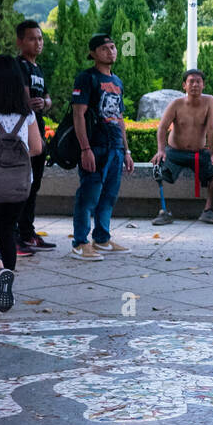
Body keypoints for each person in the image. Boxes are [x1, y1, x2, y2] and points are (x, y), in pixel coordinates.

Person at [0, 54, 44, 311]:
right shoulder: (26, 112)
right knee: (7, 230)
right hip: (20, 182)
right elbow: (37, 148)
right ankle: (7, 282)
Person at [70, 34, 134, 260]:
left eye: (114, 47)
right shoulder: (86, 78)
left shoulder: (117, 82)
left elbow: (119, 117)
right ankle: (80, 243)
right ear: (93, 53)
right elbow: (79, 114)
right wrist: (85, 149)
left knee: (109, 196)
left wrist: (126, 151)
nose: (111, 51)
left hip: (115, 148)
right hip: (95, 147)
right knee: (88, 196)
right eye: (105, 48)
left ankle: (102, 238)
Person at [151, 69, 213, 224]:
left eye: (198, 81)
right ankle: (164, 211)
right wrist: (160, 150)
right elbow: (162, 127)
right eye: (191, 81)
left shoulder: (209, 101)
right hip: (174, 152)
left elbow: (212, 129)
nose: (195, 85)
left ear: (203, 85)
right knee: (158, 167)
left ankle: (208, 210)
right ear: (184, 85)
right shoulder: (176, 104)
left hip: (198, 153)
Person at [14, 18, 56, 256]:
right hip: (21, 135)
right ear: (20, 41)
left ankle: (28, 232)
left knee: (34, 185)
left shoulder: (38, 69)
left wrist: (45, 103)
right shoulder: (17, 66)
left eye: (40, 38)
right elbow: (23, 98)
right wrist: (30, 102)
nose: (38, 43)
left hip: (38, 132)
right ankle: (14, 236)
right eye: (32, 38)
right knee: (21, 185)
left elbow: (48, 99)